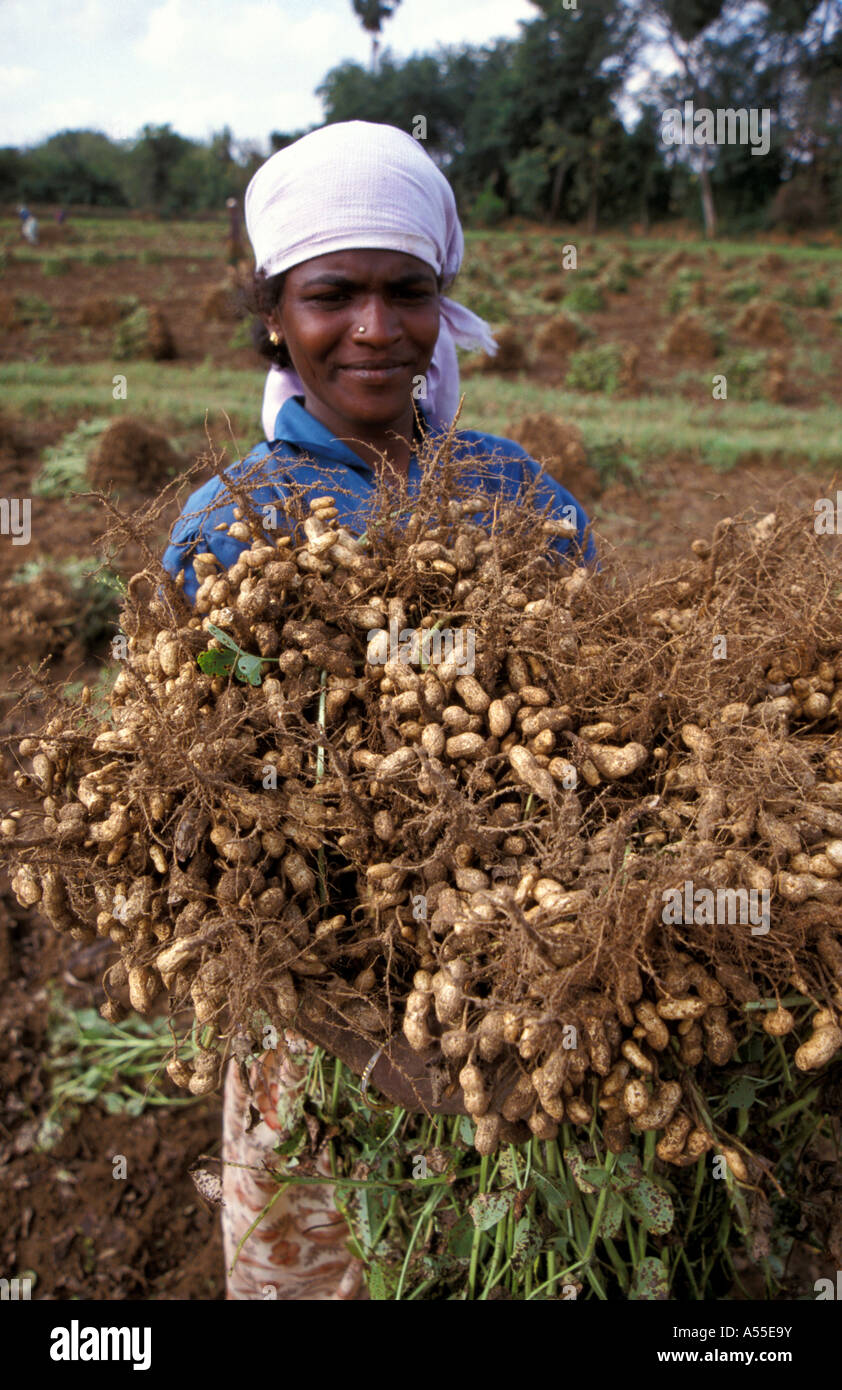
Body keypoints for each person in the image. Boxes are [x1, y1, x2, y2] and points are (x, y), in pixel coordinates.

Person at [162, 120, 597, 1300]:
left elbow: (606, 732)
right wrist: (360, 1031)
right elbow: (196, 822)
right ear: (273, 313)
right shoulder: (227, 522)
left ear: (441, 304)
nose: (373, 328)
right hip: (310, 1011)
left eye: (406, 292)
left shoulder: (518, 491)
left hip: (519, 1000)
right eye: (331, 294)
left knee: (520, 1266)